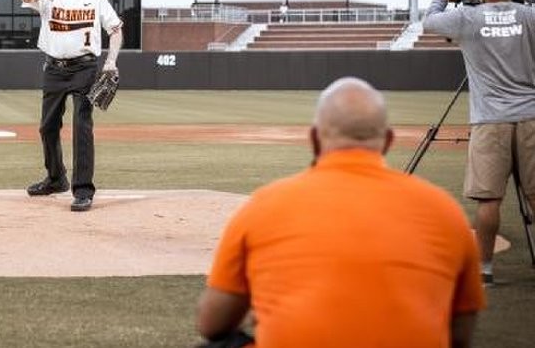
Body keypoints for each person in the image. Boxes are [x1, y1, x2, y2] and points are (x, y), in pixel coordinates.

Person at [196, 77, 485, 348]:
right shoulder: (445, 210)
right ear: (388, 141)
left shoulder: (264, 205)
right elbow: (461, 333)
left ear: (314, 139)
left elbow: (211, 324)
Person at [423, 0, 535, 285]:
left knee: (489, 199)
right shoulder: (529, 16)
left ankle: (484, 270)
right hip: (531, 116)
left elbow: (430, 21)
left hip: (489, 120)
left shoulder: (467, 18)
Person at [20, 0, 123, 212]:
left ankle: (83, 190)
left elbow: (115, 29)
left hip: (84, 68)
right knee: (47, 126)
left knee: (81, 125)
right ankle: (56, 179)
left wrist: (111, 61)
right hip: (54, 68)